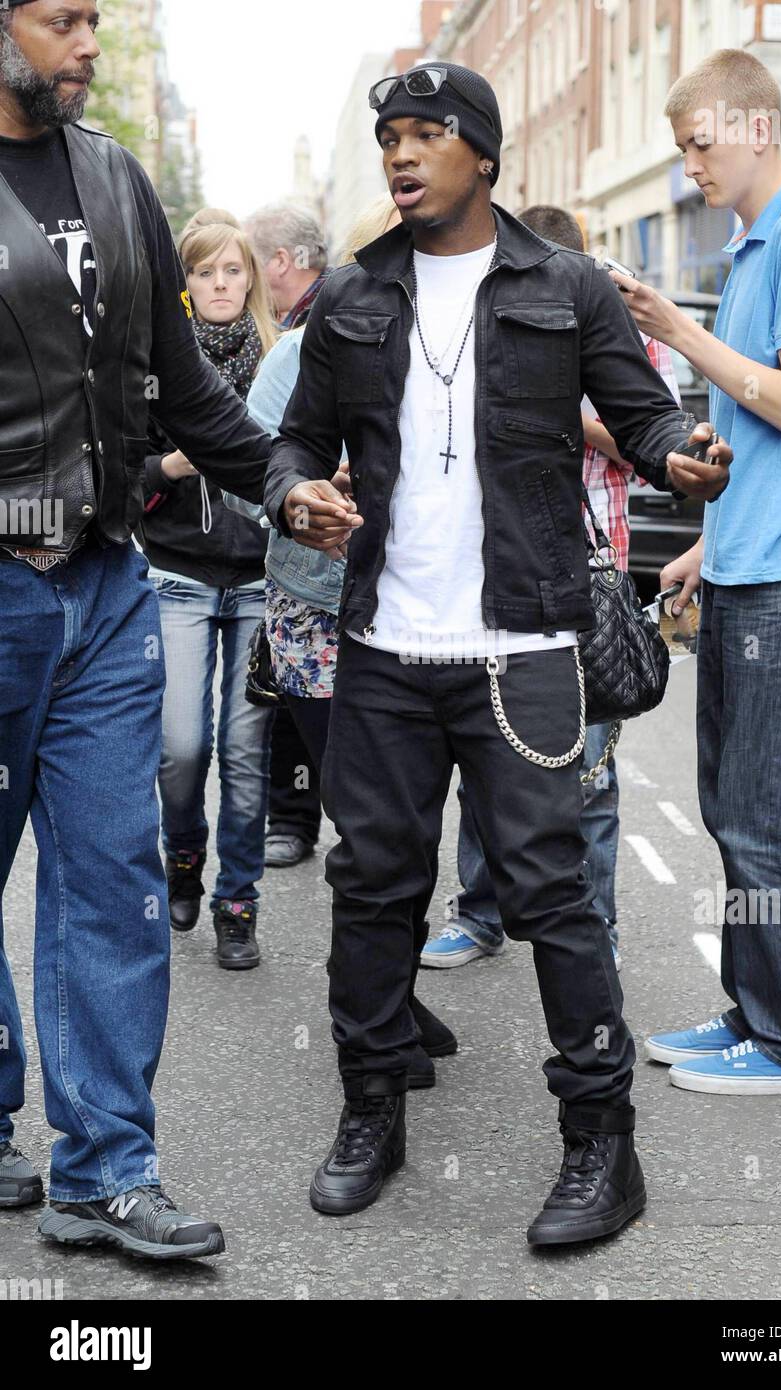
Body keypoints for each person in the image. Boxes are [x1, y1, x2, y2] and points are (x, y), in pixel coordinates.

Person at [264, 62, 730, 1245]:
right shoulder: (355, 297)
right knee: (373, 889)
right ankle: (371, 1107)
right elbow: (294, 446)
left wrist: (680, 456)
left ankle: (600, 1143)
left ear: (481, 151)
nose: (402, 157)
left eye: (426, 136)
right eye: (391, 140)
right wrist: (294, 498)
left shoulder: (566, 284)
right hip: (383, 646)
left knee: (550, 895)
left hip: (521, 643)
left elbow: (643, 413)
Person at [0, 0, 271, 1257]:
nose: (90, 44)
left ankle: (105, 1168)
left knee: (110, 877)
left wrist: (281, 481)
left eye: (98, 22)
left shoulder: (115, 176)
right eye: (64, 20)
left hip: (109, 581)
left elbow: (183, 371)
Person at [614, 49, 781, 1095]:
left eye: (699, 142)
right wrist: (708, 543)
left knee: (765, 816)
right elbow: (768, 437)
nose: (690, 167)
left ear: (758, 127)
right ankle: (755, 1012)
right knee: (731, 804)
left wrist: (677, 332)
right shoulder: (758, 246)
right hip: (748, 566)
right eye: (680, 149)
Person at [225, 193, 457, 1088]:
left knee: (412, 816)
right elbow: (254, 477)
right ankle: (375, 1010)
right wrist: (315, 488)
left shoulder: (437, 350)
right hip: (321, 614)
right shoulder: (294, 354)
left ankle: (392, 987)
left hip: (413, 613)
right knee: (364, 820)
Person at [423, 202, 682, 971]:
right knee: (488, 750)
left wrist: (558, 398)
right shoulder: (482, 313)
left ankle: (593, 932)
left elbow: (649, 440)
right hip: (497, 571)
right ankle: (479, 913)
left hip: (590, 583)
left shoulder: (621, 332)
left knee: (590, 774)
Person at [141, 212, 277, 970]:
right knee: (181, 748)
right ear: (185, 285)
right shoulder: (158, 363)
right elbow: (125, 477)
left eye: (233, 270)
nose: (221, 284)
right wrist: (176, 466)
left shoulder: (281, 359)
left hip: (262, 580)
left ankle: (239, 902)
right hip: (179, 577)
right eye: (204, 273)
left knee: (246, 750)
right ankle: (183, 852)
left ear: (251, 276)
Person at [245, 203, 333, 869]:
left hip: (381, 594)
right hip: (308, 588)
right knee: (321, 739)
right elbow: (254, 474)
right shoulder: (290, 349)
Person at [245, 201, 330, 330]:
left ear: (281, 261)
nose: (246, 277)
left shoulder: (321, 325)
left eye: (250, 263)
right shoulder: (336, 305)